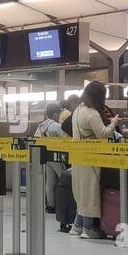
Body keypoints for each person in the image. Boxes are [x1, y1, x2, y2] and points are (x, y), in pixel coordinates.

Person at [69, 81, 120, 239]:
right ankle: (88, 229)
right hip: (90, 158)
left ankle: (77, 225)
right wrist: (113, 123)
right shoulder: (92, 113)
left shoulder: (78, 109)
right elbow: (103, 134)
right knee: (90, 193)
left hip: (77, 156)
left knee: (81, 192)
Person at [35, 102, 67, 212]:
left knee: (50, 181)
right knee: (64, 178)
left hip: (45, 157)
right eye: (59, 114)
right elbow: (66, 141)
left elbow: (36, 141)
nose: (59, 116)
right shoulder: (57, 126)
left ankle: (50, 205)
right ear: (54, 114)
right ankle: (64, 204)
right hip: (56, 157)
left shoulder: (40, 126)